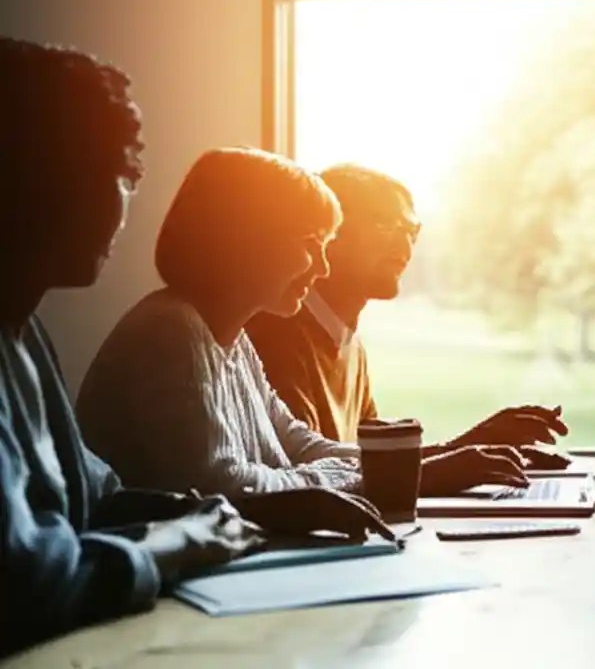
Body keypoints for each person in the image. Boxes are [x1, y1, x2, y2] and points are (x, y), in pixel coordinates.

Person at [0, 38, 386, 656]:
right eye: (118, 176)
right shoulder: (168, 330)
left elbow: (99, 491)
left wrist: (217, 513)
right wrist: (180, 539)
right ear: (38, 176)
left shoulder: (27, 331)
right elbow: (30, 580)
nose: (122, 203)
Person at [76, 148, 531, 498]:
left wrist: (430, 464)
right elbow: (224, 487)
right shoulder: (172, 332)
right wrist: (399, 479)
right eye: (310, 243)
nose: (322, 268)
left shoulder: (231, 339)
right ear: (248, 239)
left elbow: (299, 446)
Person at [244, 163, 571, 475]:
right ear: (330, 234)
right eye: (384, 226)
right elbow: (316, 476)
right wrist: (464, 449)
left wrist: (479, 450)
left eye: (411, 231)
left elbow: (373, 463)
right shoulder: (278, 336)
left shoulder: (347, 342)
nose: (405, 246)